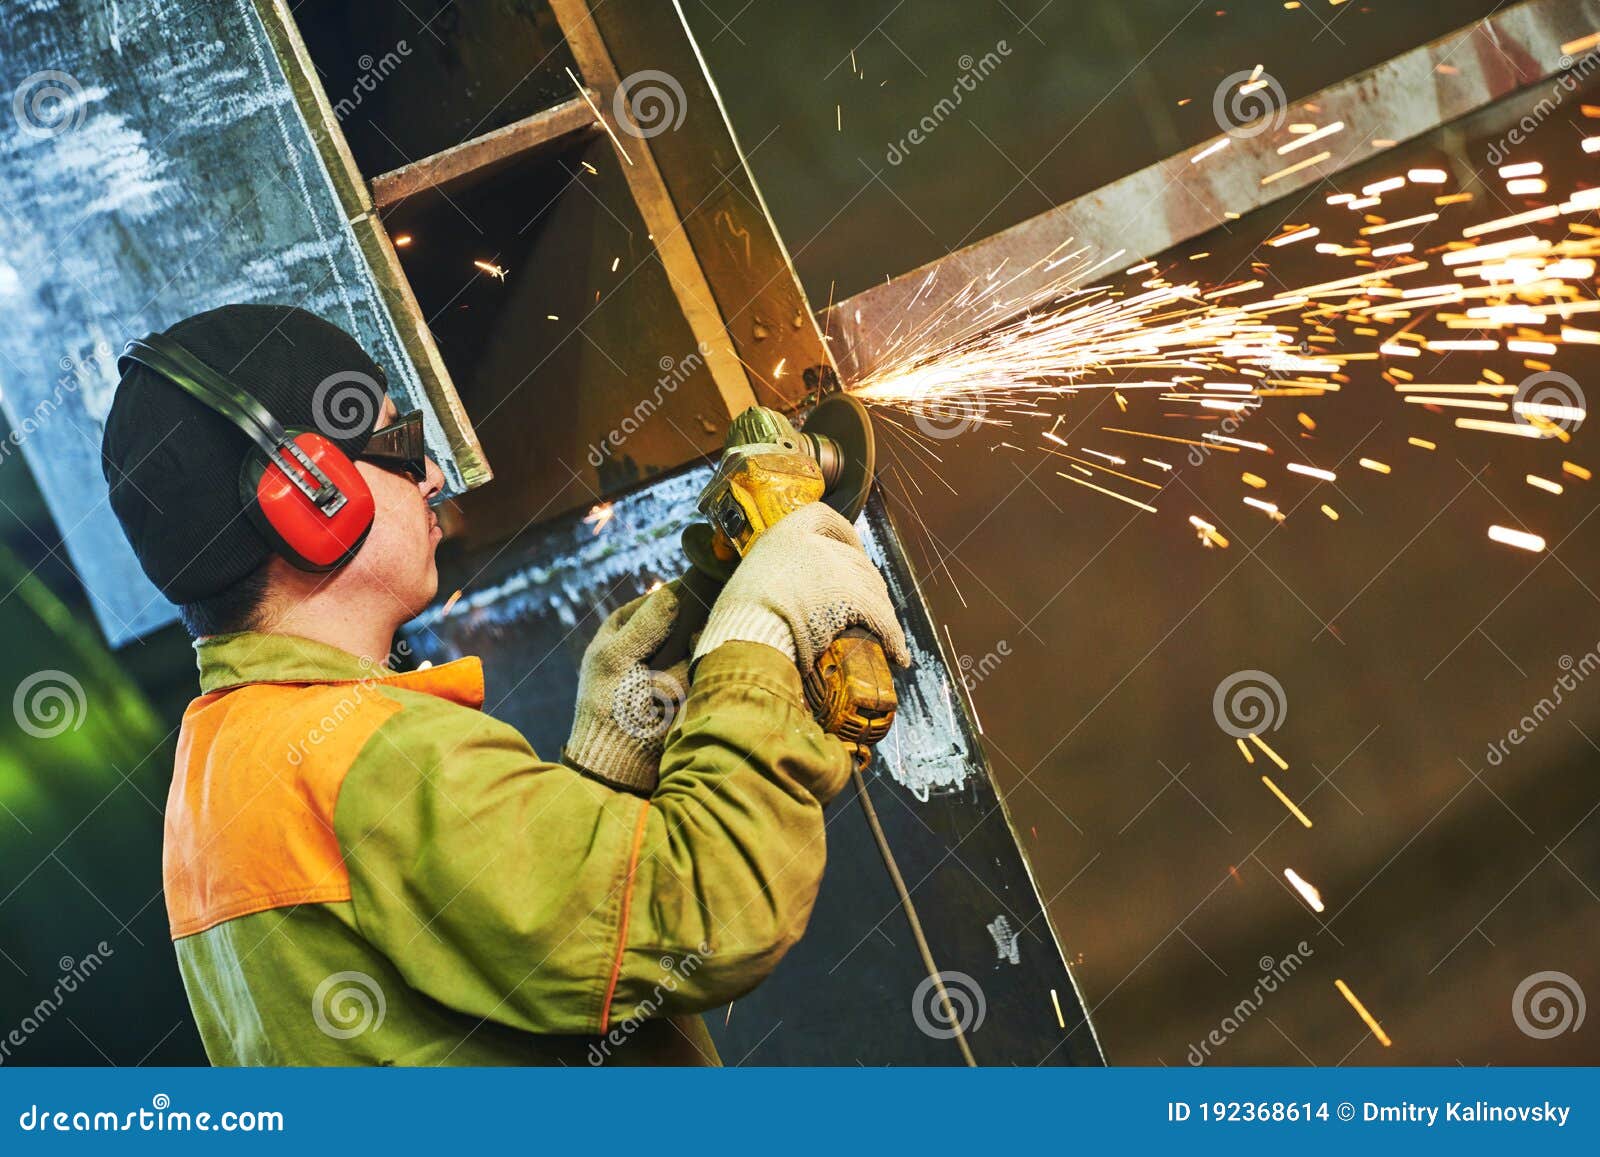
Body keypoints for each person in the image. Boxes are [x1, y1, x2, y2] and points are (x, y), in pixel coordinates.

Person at [100, 304, 909, 1065]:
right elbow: (712, 910)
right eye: (399, 442)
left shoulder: (225, 769)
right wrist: (762, 626)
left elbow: (500, 979)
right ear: (312, 494)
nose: (434, 474)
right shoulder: (364, 759)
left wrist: (609, 764)